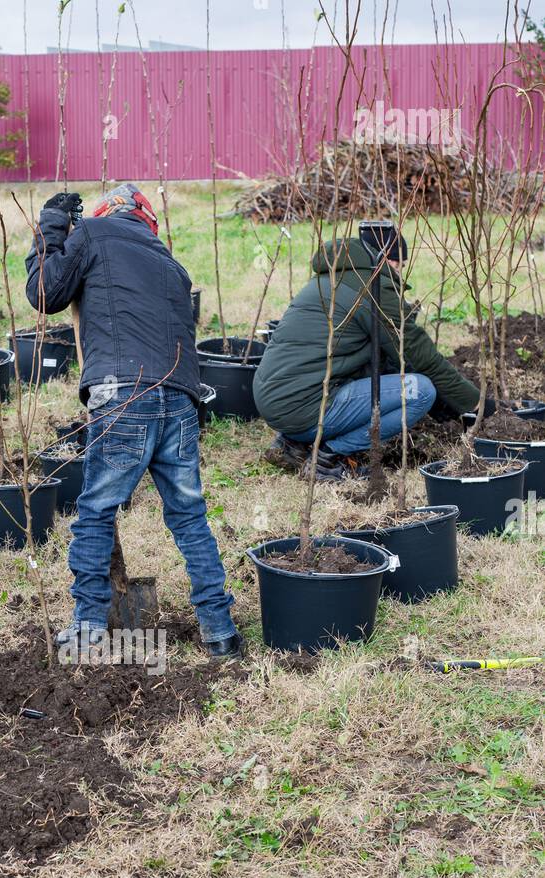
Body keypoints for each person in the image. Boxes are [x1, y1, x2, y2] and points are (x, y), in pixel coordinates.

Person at [25, 183, 242, 660]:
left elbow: (45, 291)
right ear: (148, 222)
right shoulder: (172, 265)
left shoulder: (95, 233)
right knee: (189, 516)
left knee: (97, 510)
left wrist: (52, 227)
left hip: (124, 394)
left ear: (106, 213)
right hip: (181, 399)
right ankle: (220, 630)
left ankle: (87, 630)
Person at [253, 234, 488, 480]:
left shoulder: (330, 280)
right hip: (305, 408)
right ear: (387, 259)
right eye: (400, 265)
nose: (400, 273)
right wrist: (476, 404)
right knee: (421, 391)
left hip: (273, 400)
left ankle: (292, 444)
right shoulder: (372, 287)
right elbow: (418, 353)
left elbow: (384, 359)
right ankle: (328, 457)